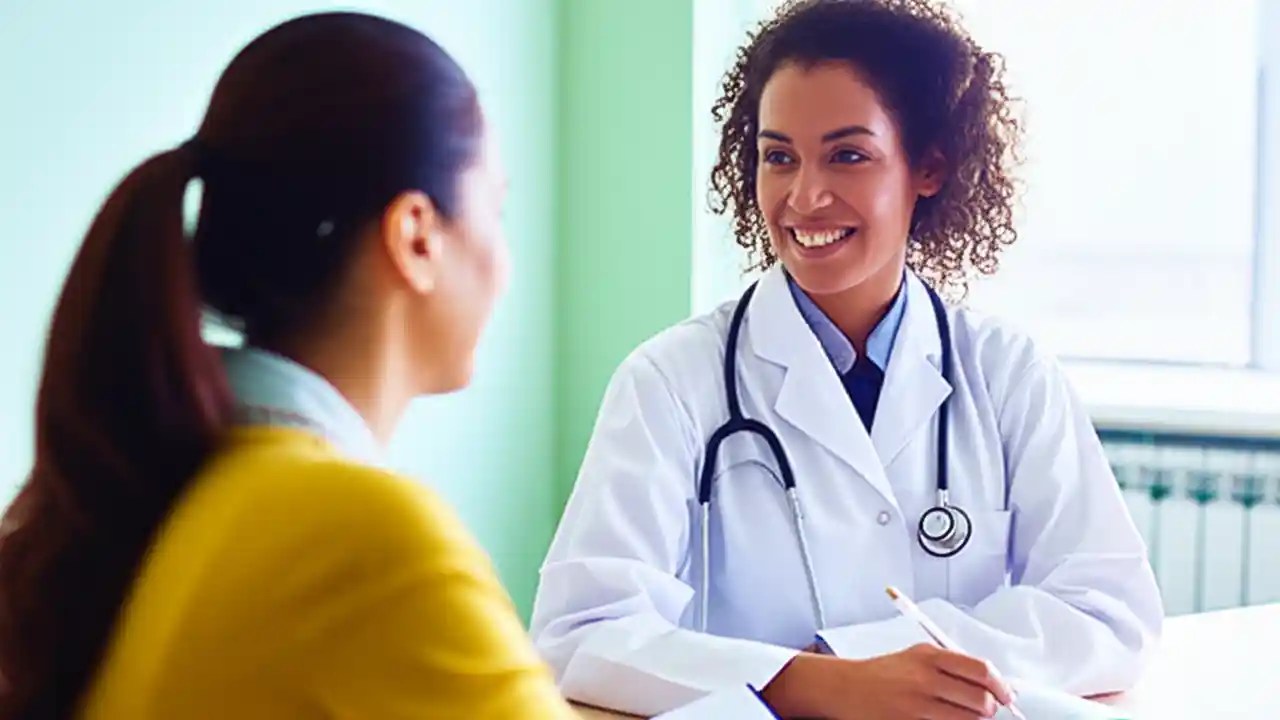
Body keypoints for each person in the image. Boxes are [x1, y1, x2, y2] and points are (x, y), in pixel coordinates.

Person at [530, 1, 1163, 718]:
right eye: (779, 157)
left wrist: (873, 658)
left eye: (848, 155)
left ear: (928, 166)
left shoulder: (1008, 375)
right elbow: (580, 634)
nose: (804, 196)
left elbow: (1110, 613)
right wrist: (823, 683)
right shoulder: (672, 381)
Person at [0, 12, 575, 720]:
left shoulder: (165, 480)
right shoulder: (364, 539)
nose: (506, 265)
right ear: (416, 237)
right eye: (496, 210)